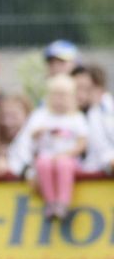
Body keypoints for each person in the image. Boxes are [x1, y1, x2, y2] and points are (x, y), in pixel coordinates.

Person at [24, 74, 88, 219]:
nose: (59, 100)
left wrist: (66, 154)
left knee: (63, 164)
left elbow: (82, 143)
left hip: (69, 159)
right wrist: (38, 133)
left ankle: (63, 202)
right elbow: (31, 137)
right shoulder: (41, 115)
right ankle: (50, 201)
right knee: (43, 163)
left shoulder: (76, 117)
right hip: (47, 157)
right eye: (56, 95)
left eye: (63, 95)